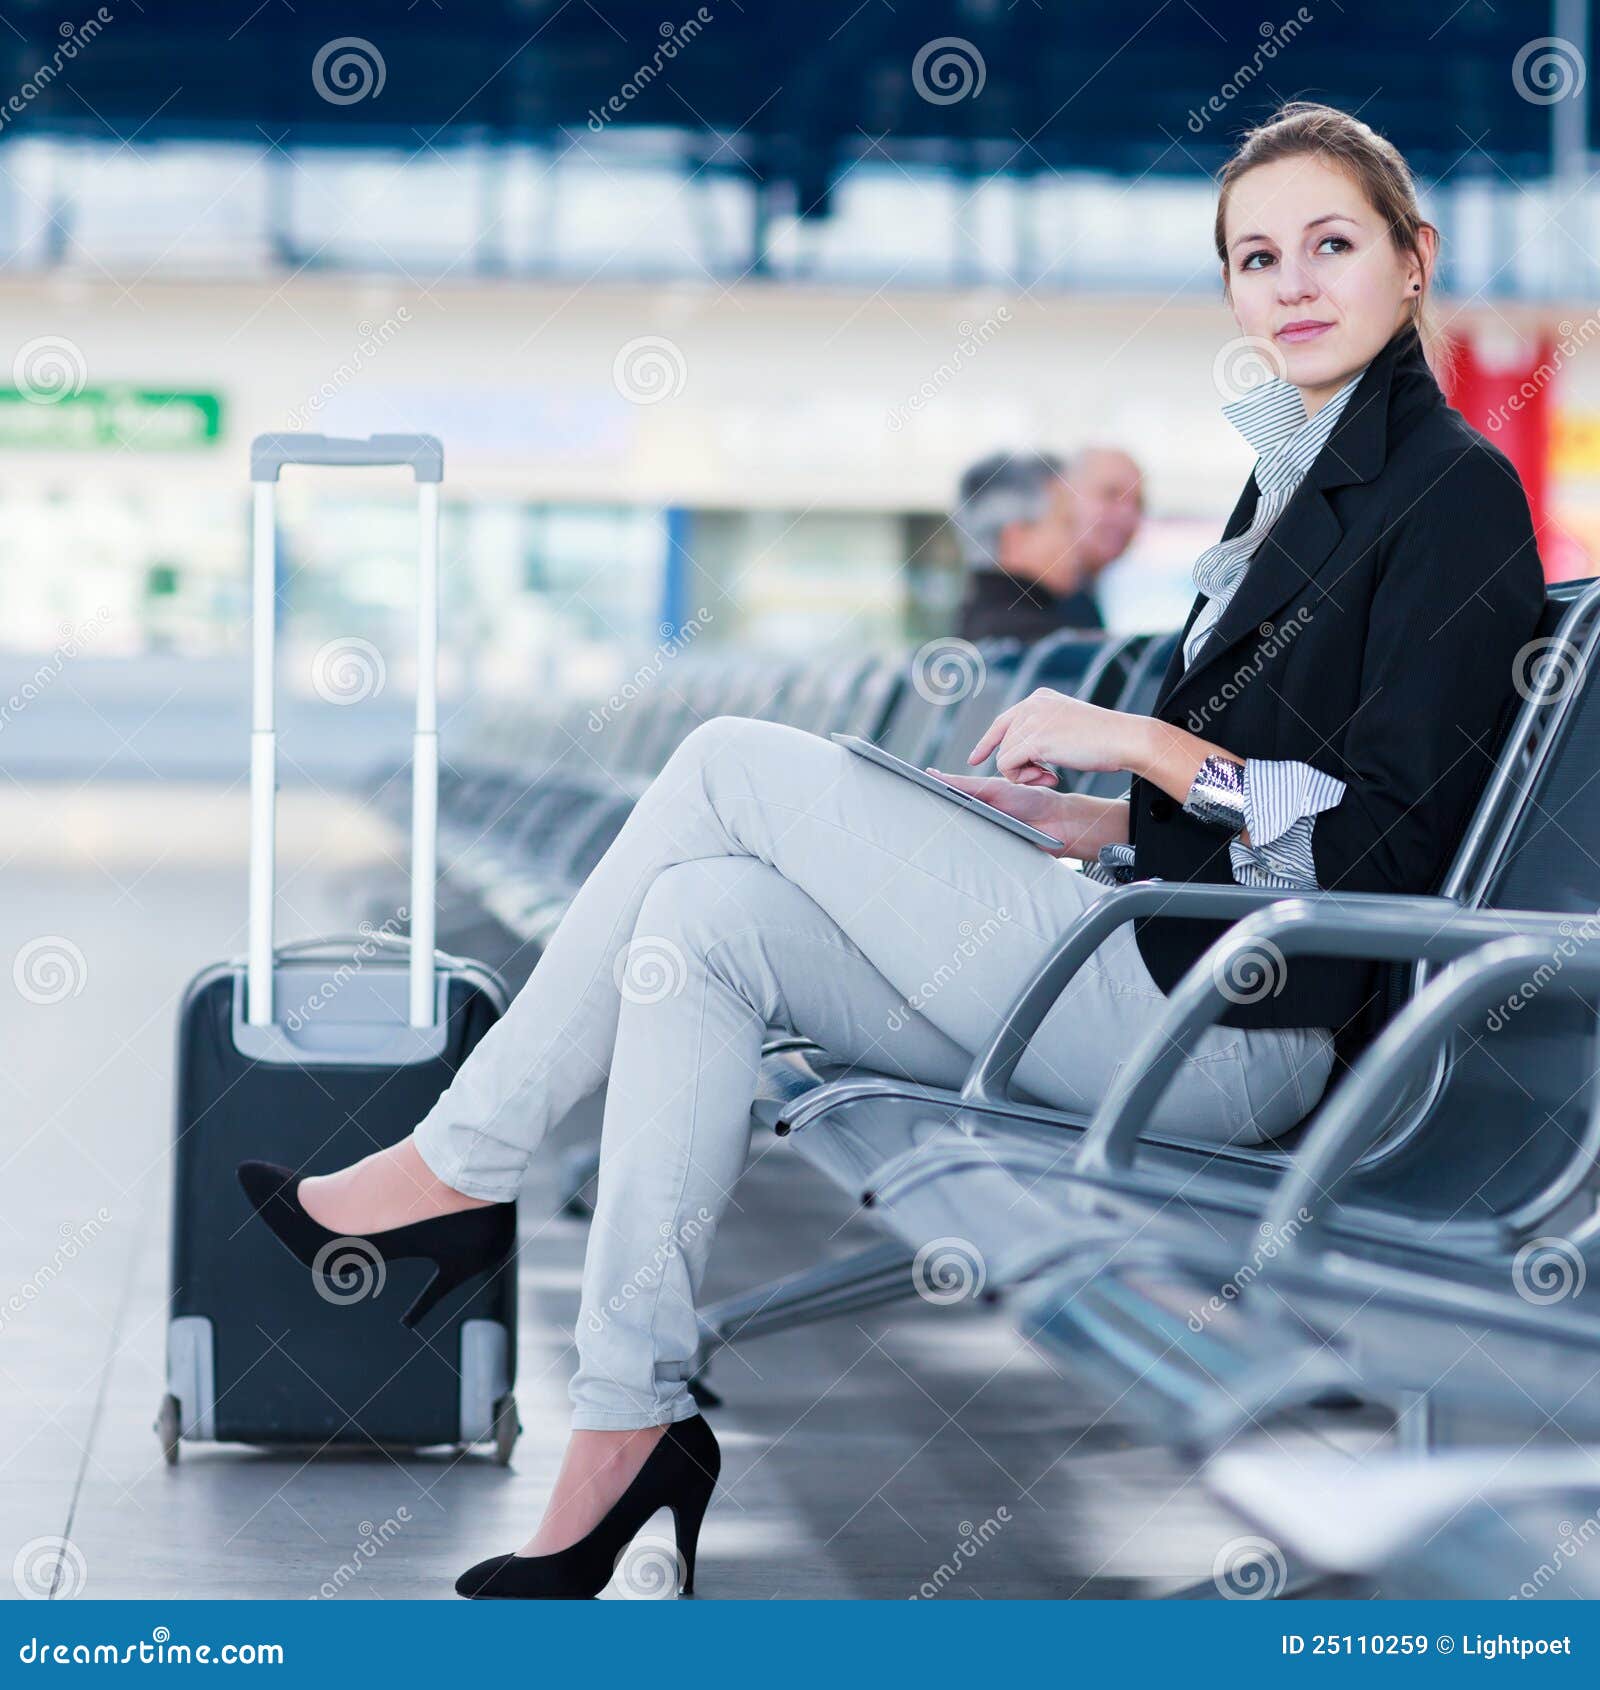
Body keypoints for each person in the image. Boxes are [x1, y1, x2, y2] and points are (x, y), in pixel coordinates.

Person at [237, 99, 1546, 1600]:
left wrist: (1144, 746)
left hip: (1245, 1027)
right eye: (1258, 257)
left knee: (729, 763)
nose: (1295, 282)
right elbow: (1277, 808)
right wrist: (1100, 814)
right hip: (1164, 957)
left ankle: (462, 1161)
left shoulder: (1451, 490)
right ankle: (627, 1419)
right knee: (703, 922)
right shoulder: (1293, 477)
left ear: (1413, 259)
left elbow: (1388, 841)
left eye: (1332, 243)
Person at [952, 446, 1143, 642]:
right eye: (1066, 524)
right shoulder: (1046, 642)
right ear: (1015, 539)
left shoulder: (974, 624)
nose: (1077, 541)